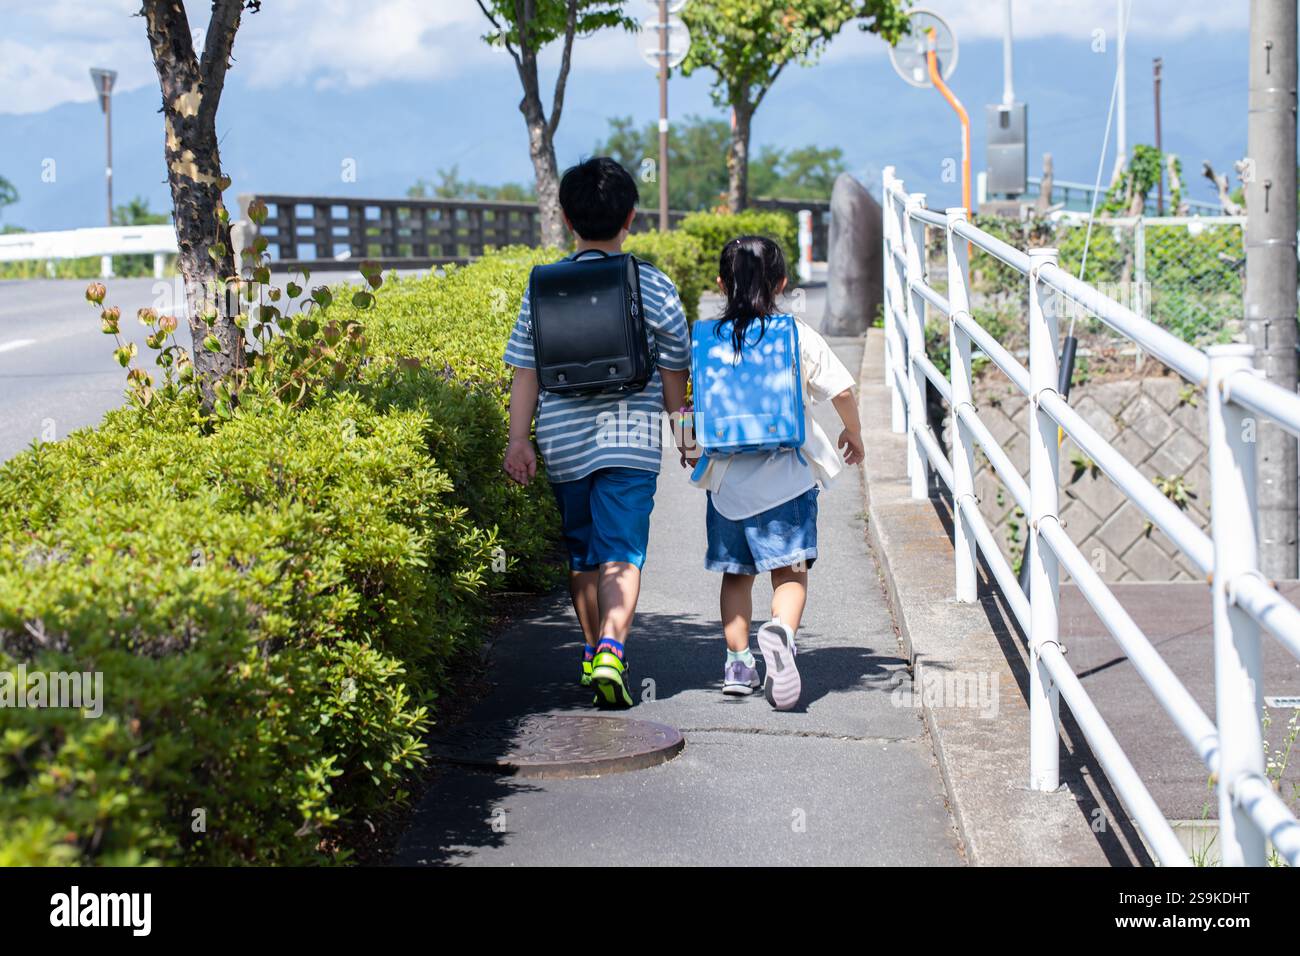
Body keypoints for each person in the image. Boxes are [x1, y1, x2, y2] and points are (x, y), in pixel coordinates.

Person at [502, 157, 690, 708]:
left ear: (565, 219)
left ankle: (593, 654)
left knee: (582, 555)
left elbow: (525, 370)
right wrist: (685, 433)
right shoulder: (652, 284)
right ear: (631, 216)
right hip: (630, 441)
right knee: (622, 554)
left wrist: (519, 440)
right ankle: (612, 647)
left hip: (563, 441)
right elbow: (676, 367)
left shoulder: (543, 286)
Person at [688, 236, 864, 710]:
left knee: (736, 575)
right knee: (790, 573)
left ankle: (738, 664)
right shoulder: (795, 334)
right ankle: (782, 633)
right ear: (783, 284)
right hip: (787, 477)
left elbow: (694, 405)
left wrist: (688, 446)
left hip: (726, 482)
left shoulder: (706, 337)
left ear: (722, 284)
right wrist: (853, 434)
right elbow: (842, 390)